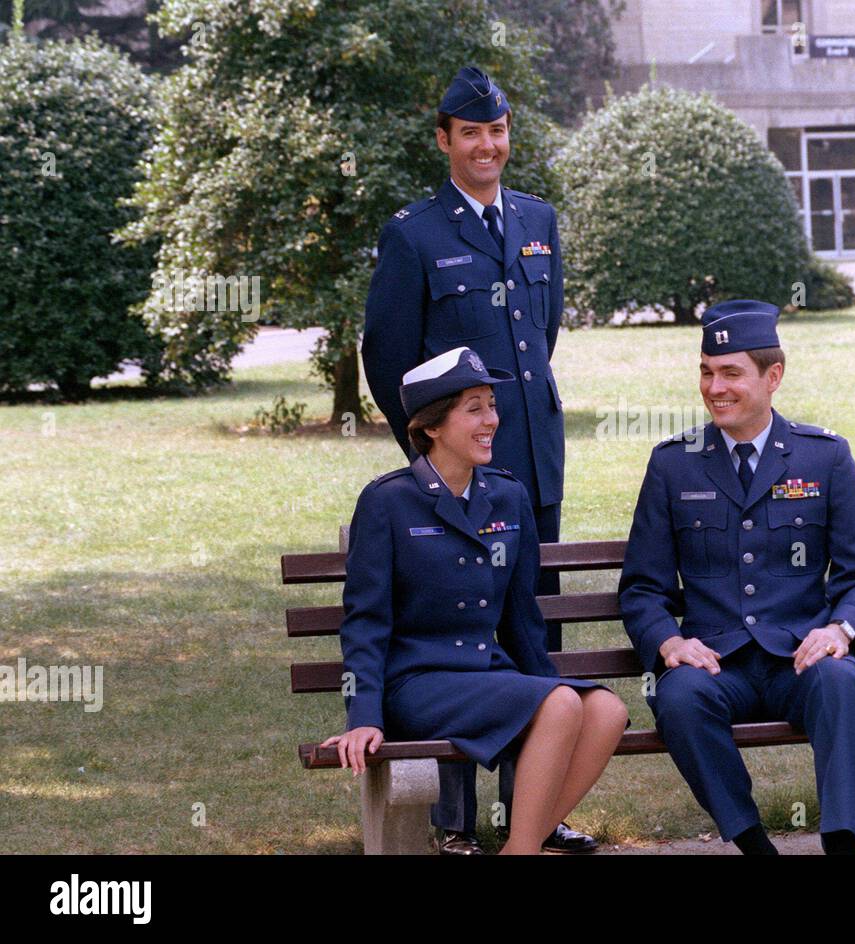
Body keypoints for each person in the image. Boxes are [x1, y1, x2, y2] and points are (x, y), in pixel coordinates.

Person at [361, 66, 589, 853]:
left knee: (529, 631)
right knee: (456, 633)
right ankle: (455, 823)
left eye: (497, 131)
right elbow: (389, 357)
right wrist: (434, 468)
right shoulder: (414, 235)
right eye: (470, 134)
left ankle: (537, 810)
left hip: (531, 463)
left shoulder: (538, 220)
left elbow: (540, 337)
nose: (487, 145)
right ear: (445, 142)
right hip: (453, 475)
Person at [321, 348, 626, 855]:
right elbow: (365, 622)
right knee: (562, 704)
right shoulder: (388, 501)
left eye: (491, 405)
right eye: (474, 409)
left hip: (488, 675)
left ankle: (520, 843)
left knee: (607, 712)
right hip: (417, 684)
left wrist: (548, 691)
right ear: (432, 427)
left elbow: (522, 616)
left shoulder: (508, 496)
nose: (491, 420)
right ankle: (525, 849)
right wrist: (365, 715)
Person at [618, 300, 855, 855]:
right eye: (705, 371)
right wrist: (669, 642)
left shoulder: (824, 457)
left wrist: (841, 630)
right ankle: (752, 843)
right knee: (679, 699)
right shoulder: (674, 463)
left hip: (800, 658)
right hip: (718, 664)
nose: (714, 386)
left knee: (843, 683)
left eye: (730, 373)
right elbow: (642, 587)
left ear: (773, 377)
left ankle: (844, 845)